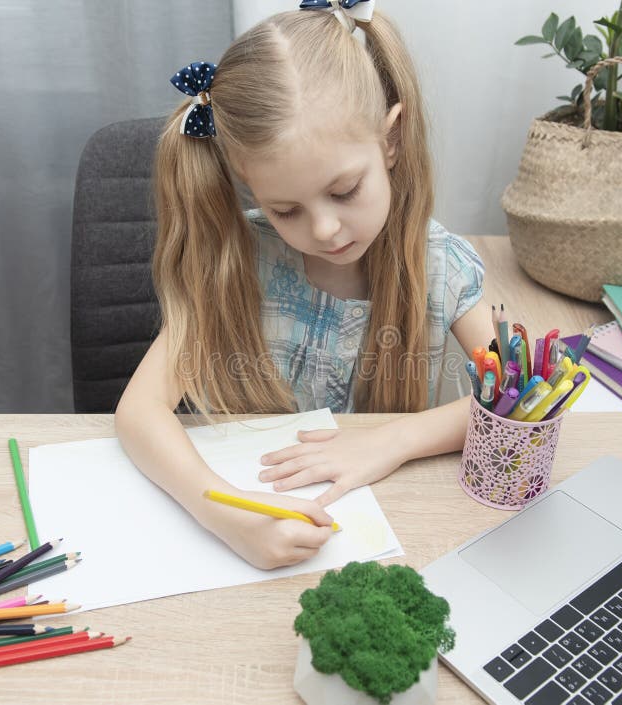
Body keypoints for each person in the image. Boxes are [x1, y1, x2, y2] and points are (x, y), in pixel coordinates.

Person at [115, 2, 491, 570]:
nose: (323, 229)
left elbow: (527, 394)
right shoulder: (237, 263)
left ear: (392, 140)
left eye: (344, 191)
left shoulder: (440, 267)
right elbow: (139, 412)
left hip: (404, 539)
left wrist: (391, 441)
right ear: (250, 187)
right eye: (285, 209)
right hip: (265, 544)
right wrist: (227, 513)